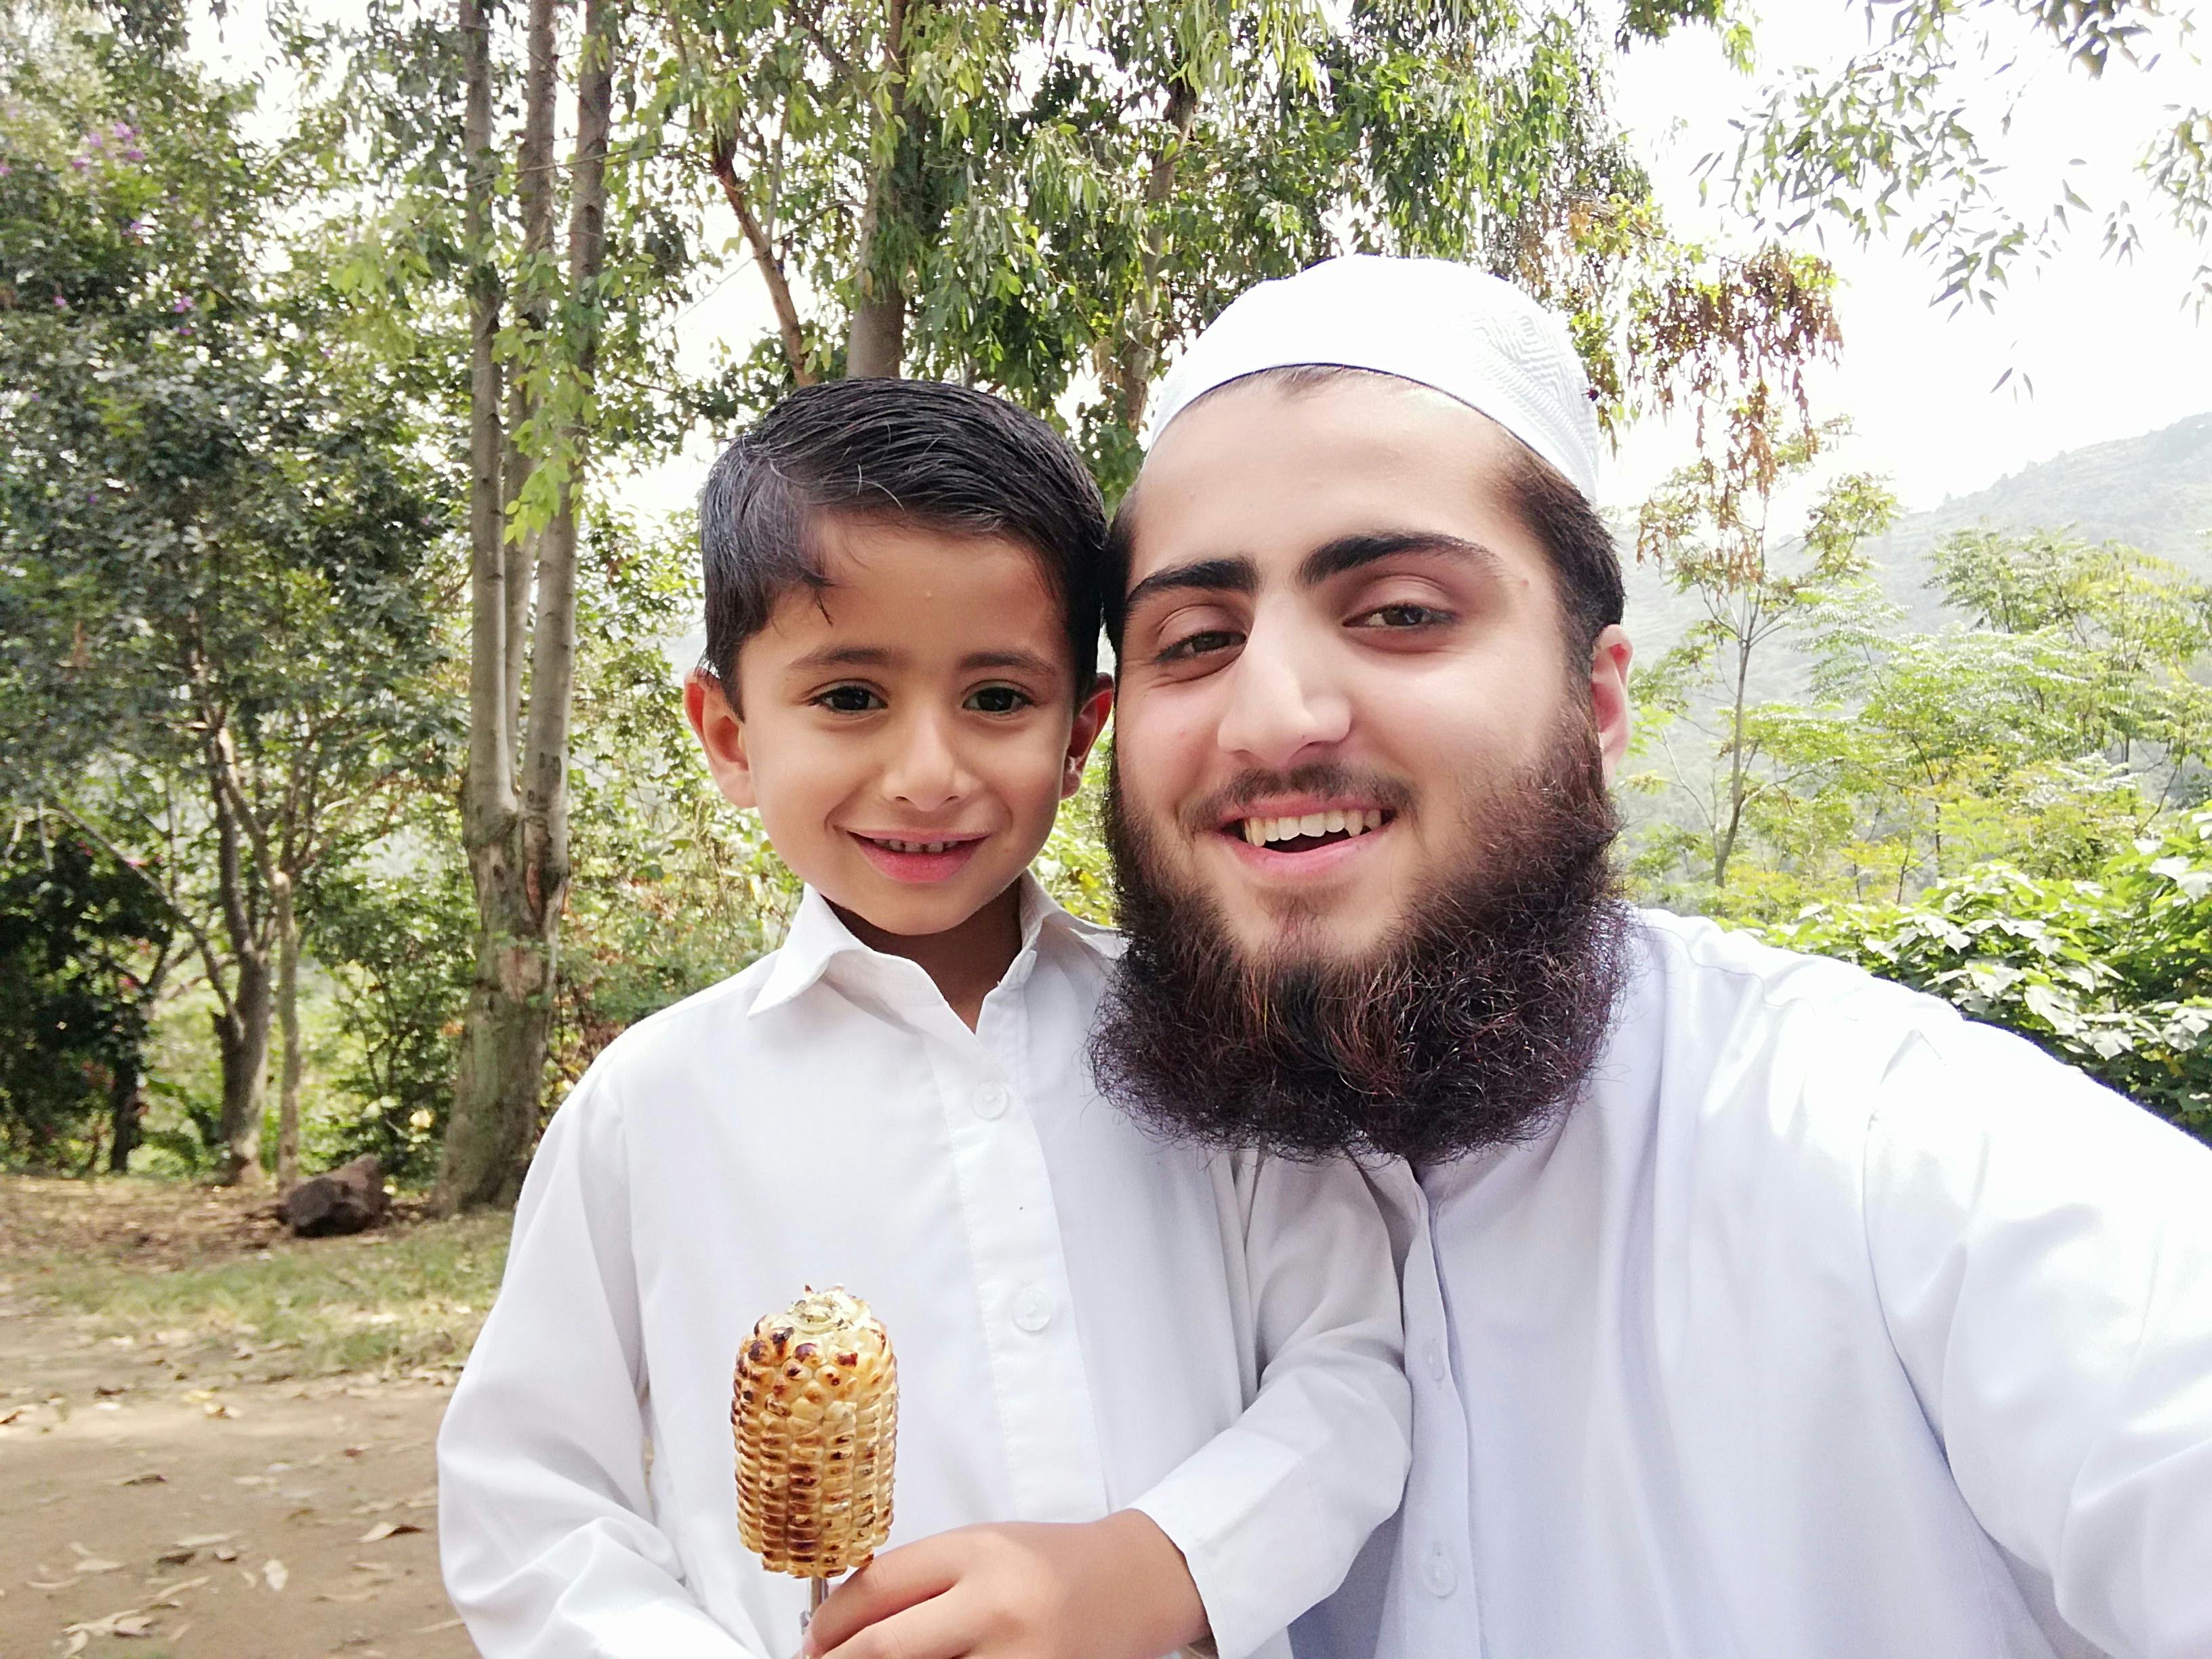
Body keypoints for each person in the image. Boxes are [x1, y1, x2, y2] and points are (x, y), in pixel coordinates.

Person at [1092, 254, 2212, 1659]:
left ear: (1597, 696)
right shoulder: (1054, 1183)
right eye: (1192, 641)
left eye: (1399, 613)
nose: (1273, 717)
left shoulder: (1900, 1157)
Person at [436, 377, 1411, 1659]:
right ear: (729, 733)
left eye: (999, 698)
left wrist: (1161, 1565)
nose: (928, 773)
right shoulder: (654, 1106)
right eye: (849, 697)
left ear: (1082, 735)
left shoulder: (1210, 1043)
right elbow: (532, 1496)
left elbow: (1349, 1376)